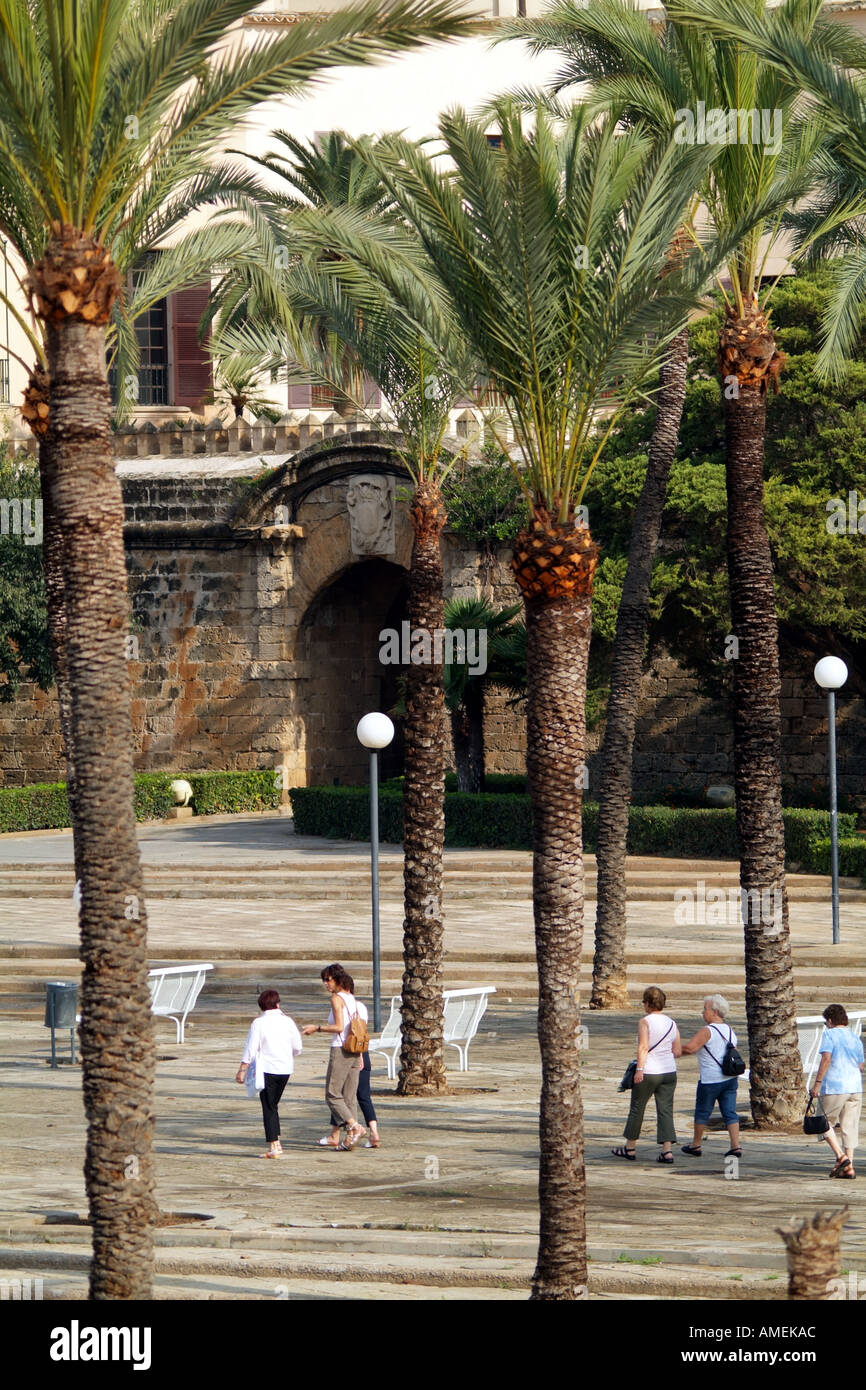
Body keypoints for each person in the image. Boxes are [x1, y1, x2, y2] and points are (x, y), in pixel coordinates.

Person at [612, 986, 680, 1163]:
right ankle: (667, 1151)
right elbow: (677, 1050)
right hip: (669, 1071)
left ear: (648, 1003)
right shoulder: (672, 1023)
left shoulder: (645, 1021)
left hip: (650, 1071)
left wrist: (640, 1069)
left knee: (637, 1108)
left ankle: (630, 1147)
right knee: (665, 1110)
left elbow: (643, 1047)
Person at [302, 963, 366, 1150]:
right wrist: (360, 1054)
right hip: (354, 1049)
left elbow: (339, 1027)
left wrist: (317, 1028)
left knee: (332, 1094)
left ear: (337, 979)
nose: (325, 984)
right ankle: (350, 1140)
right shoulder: (352, 999)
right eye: (323, 980)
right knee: (349, 1097)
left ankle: (355, 1127)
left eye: (327, 980)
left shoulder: (337, 999)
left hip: (341, 1049)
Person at [235, 988, 302, 1159]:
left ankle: (274, 1144)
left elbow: (251, 1047)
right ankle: (276, 1141)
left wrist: (242, 1069)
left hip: (268, 1068)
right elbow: (297, 1047)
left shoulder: (259, 1023)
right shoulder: (288, 1021)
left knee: (269, 1106)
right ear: (278, 1003)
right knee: (273, 1104)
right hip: (285, 1068)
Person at [678, 994, 742, 1160]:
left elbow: (690, 1048)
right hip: (729, 1078)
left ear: (714, 1011)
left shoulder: (708, 1031)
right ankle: (735, 1146)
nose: (702, 1012)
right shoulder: (729, 1030)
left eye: (705, 1009)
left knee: (702, 1111)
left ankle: (696, 1144)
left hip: (710, 1079)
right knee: (730, 1112)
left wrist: (673, 1051)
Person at [809, 1004, 864, 1179]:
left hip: (835, 1085)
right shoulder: (855, 1038)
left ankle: (841, 1157)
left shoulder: (830, 1034)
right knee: (849, 1127)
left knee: (823, 1122)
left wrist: (817, 1084)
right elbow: (860, 1066)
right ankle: (850, 1168)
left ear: (830, 1020)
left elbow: (826, 1058)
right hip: (855, 1086)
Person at [340, 971, 381, 1149]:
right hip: (363, 1050)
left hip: (350, 1052)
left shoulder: (343, 1006)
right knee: (364, 1096)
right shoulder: (361, 1007)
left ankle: (347, 1131)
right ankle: (374, 1133)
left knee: (340, 1095)